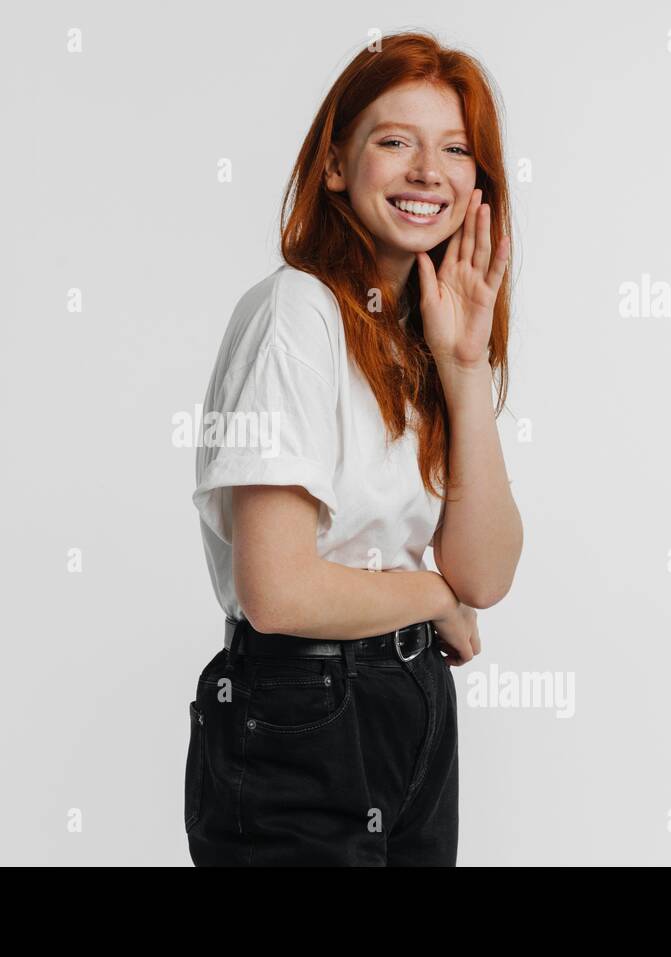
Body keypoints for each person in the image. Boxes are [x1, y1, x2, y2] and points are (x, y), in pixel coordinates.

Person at [184, 31, 523, 866]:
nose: (427, 171)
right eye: (394, 141)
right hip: (300, 706)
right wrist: (432, 599)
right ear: (336, 165)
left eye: (454, 149)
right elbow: (280, 593)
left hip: (410, 708)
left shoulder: (421, 339)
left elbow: (486, 575)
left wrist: (466, 366)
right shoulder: (296, 312)